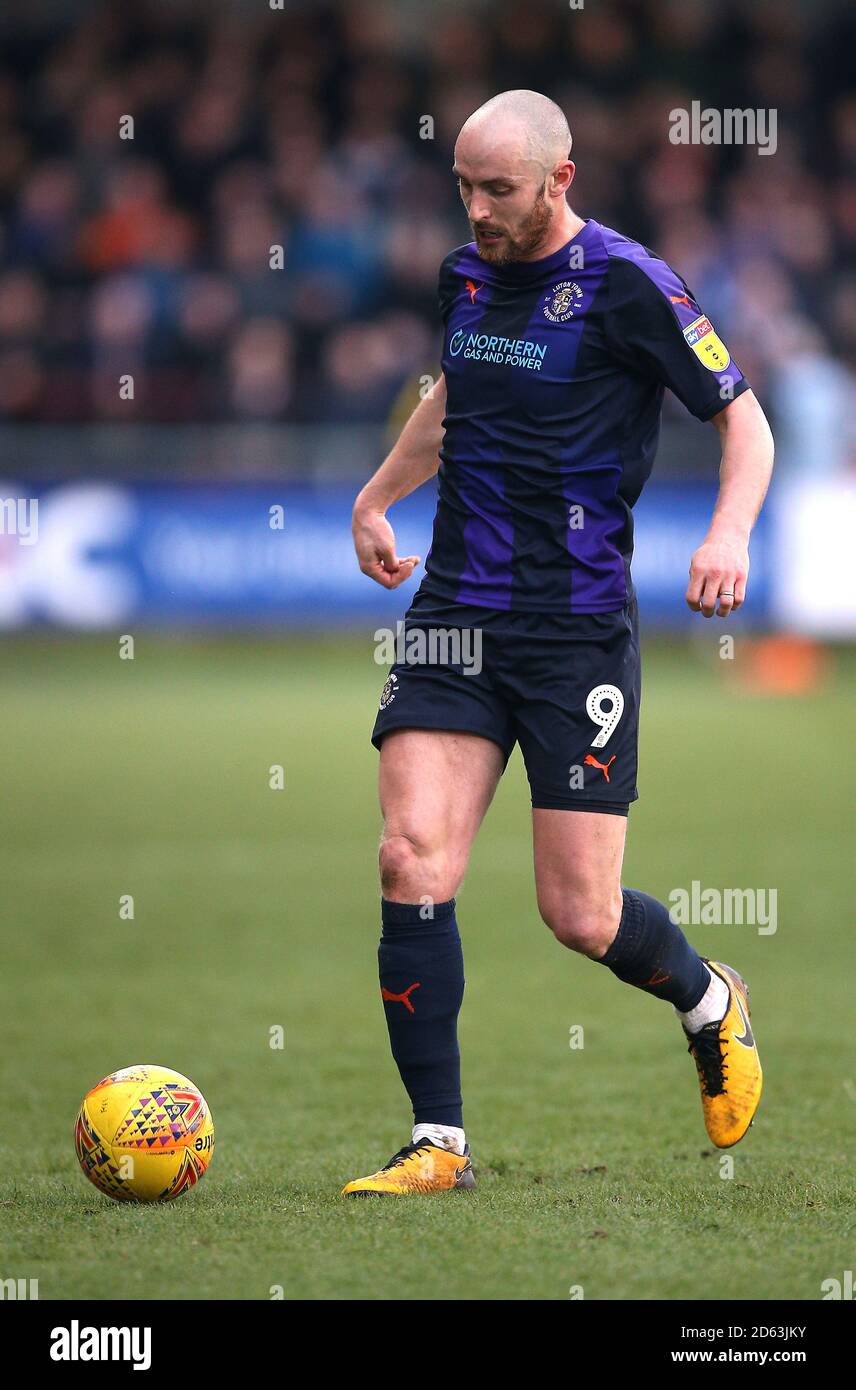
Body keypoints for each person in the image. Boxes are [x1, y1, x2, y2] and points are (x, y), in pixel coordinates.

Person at [344, 90, 774, 1196]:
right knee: (410, 857)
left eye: (498, 189)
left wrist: (727, 531)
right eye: (464, 187)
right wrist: (377, 496)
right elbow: (451, 397)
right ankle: (437, 1142)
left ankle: (706, 998)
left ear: (558, 179)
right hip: (452, 617)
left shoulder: (630, 283)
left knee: (577, 915)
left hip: (574, 630)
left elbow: (743, 418)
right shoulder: (465, 277)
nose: (477, 209)